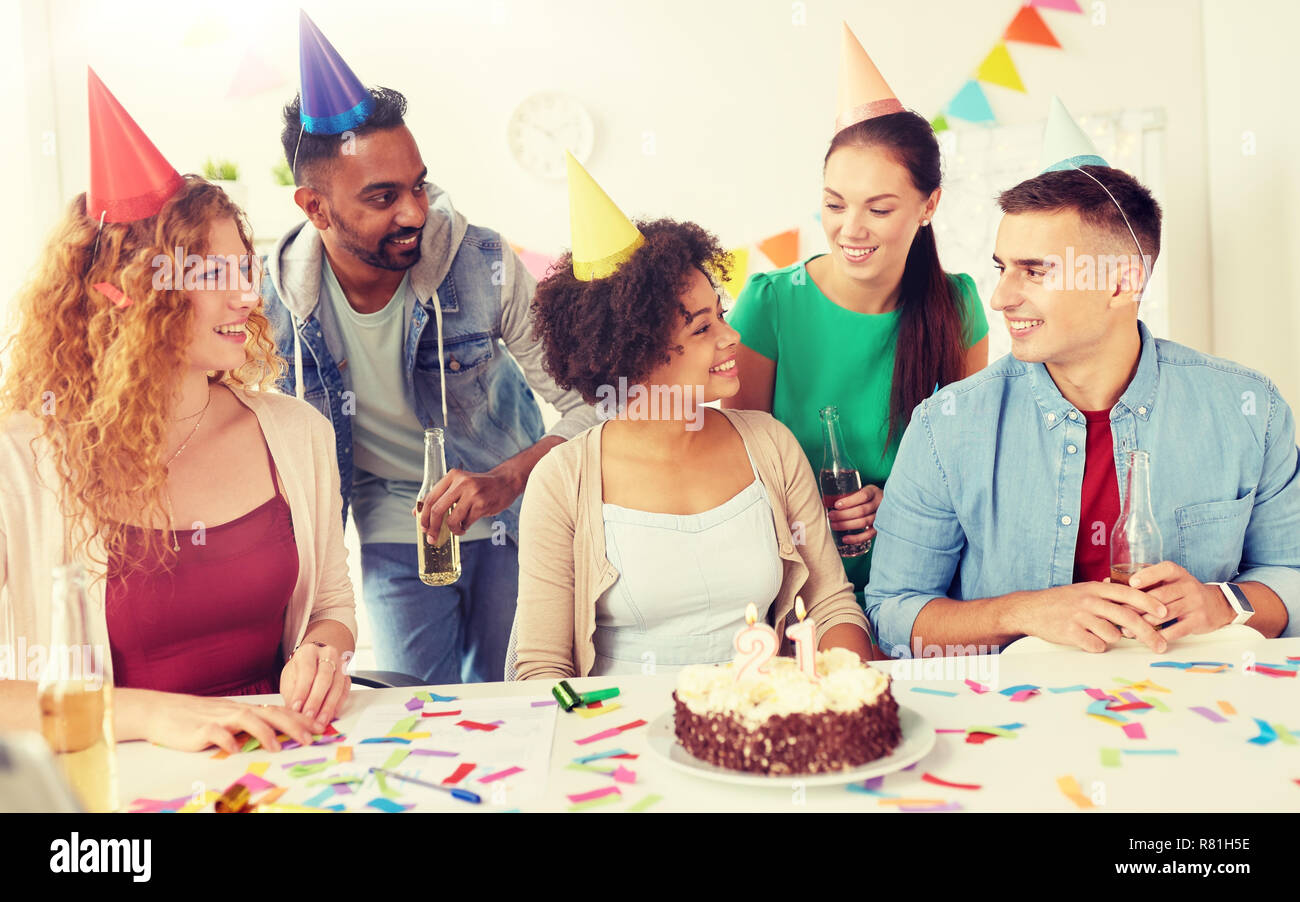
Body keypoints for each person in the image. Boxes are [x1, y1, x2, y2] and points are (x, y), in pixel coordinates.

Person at [864, 98, 1299, 657]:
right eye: (1002, 267)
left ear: (1121, 283)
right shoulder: (946, 428)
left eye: (1034, 270)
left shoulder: (1248, 409)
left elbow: (1289, 571)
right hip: (1015, 725)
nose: (1000, 297)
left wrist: (1226, 603)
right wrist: (1024, 611)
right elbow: (893, 613)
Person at [0, 71, 355, 753]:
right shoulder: (21, 462)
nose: (247, 296)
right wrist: (152, 716)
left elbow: (334, 608)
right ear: (124, 294)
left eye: (243, 269)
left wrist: (323, 651)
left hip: (287, 769)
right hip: (118, 785)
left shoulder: (297, 433)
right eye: (212, 276)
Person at [261, 14, 597, 684]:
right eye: (383, 197)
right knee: (417, 704)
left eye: (418, 184)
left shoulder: (482, 262)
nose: (415, 211)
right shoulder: (266, 304)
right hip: (390, 530)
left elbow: (593, 404)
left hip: (514, 517)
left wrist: (508, 478)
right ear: (316, 208)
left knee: (517, 698)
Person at [511, 156, 874, 680]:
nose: (732, 338)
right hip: (616, 742)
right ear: (633, 354)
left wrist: (846, 692)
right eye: (702, 328)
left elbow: (832, 606)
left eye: (720, 315)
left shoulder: (769, 445)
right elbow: (542, 668)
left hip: (757, 725)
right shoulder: (563, 481)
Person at [724, 24, 988, 601]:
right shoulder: (770, 303)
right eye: (834, 204)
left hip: (919, 579)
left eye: (880, 208)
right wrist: (809, 508)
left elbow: (970, 464)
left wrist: (898, 499)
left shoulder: (959, 307)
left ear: (928, 206)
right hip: (794, 579)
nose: (851, 229)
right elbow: (740, 462)